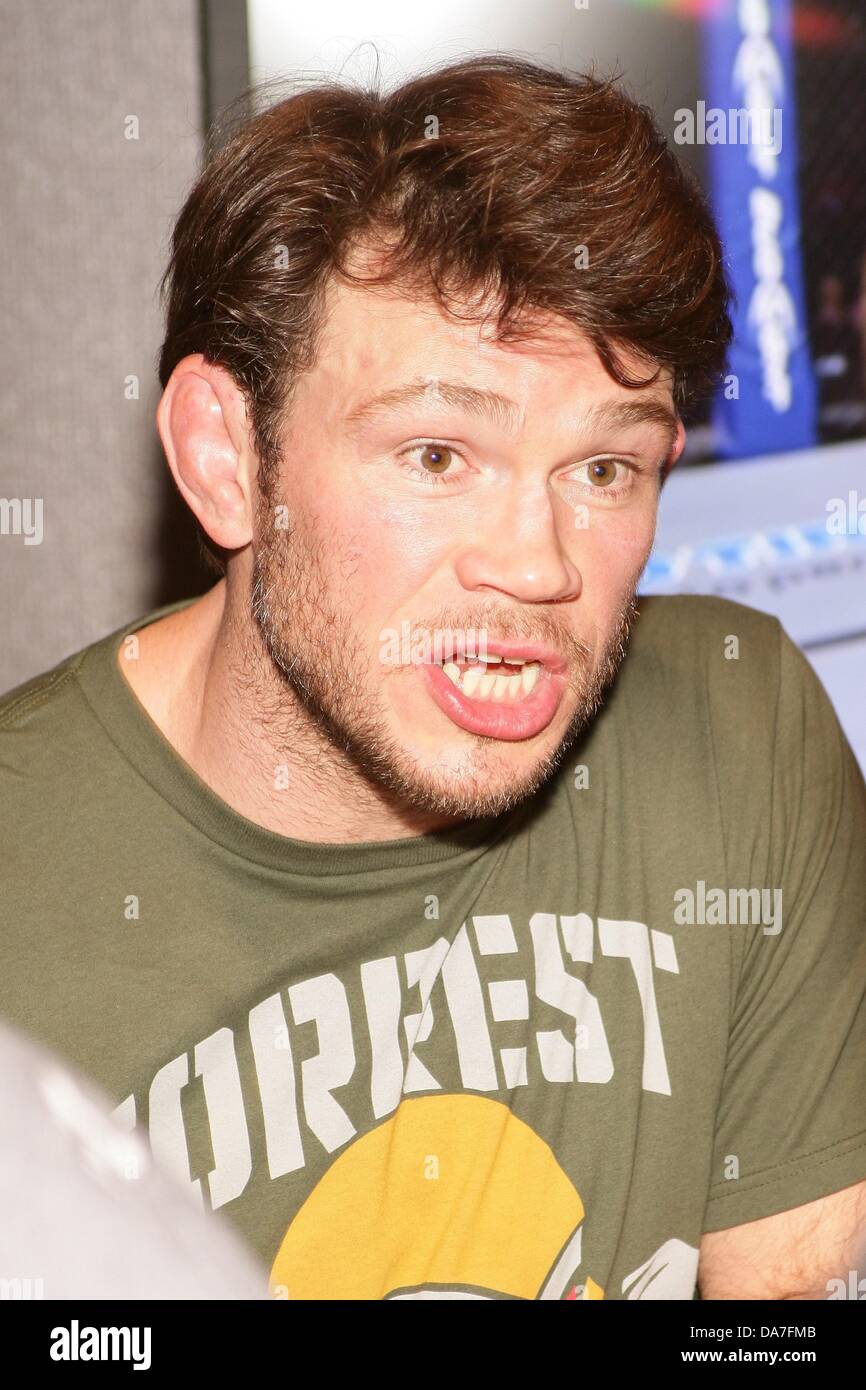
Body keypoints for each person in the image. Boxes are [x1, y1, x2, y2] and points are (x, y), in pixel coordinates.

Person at [1, 55, 864, 1302]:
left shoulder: (741, 734)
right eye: (436, 452)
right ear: (225, 458)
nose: (537, 566)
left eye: (603, 472)